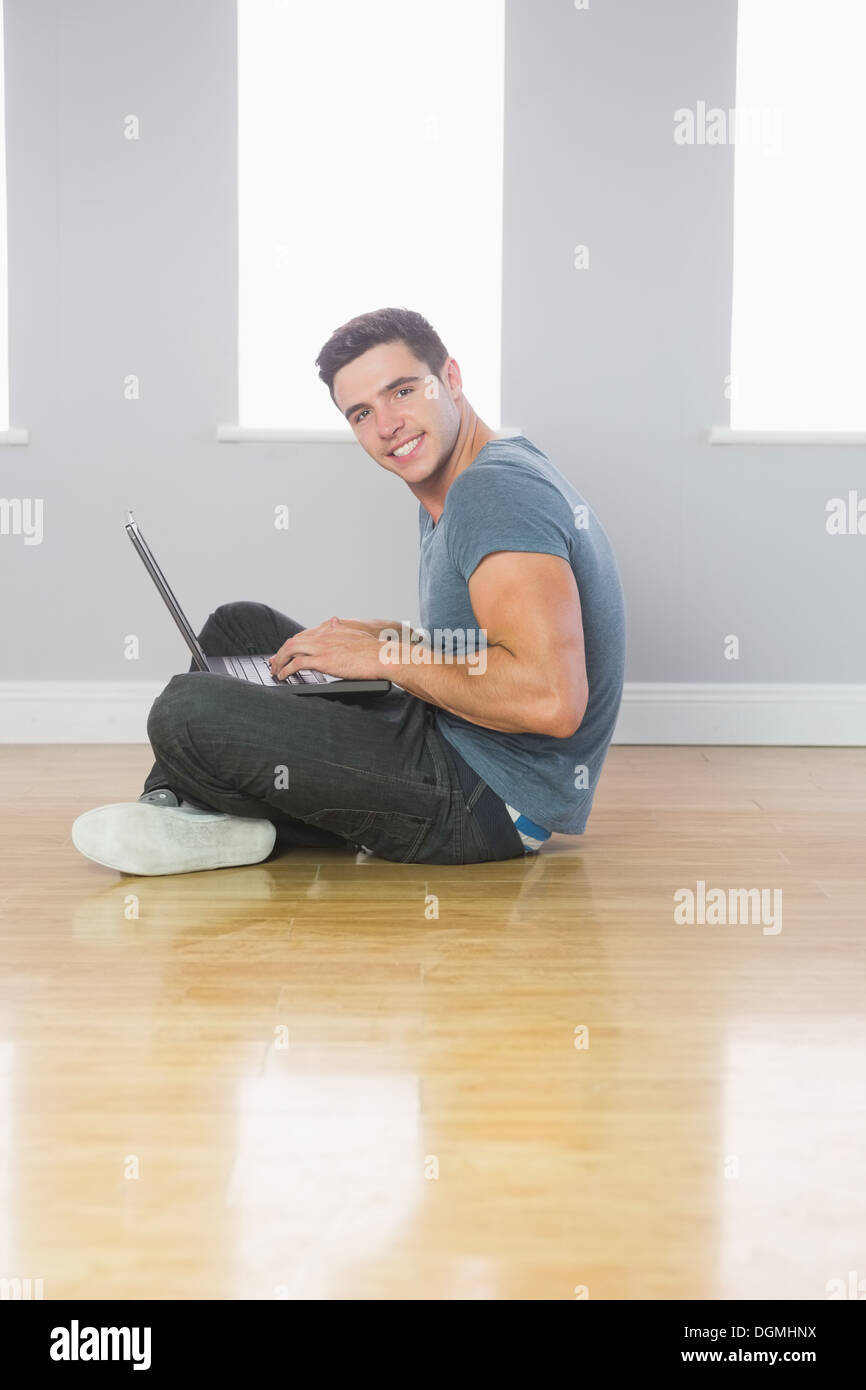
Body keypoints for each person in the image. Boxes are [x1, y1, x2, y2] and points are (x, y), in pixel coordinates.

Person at [72, 307, 626, 875]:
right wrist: (388, 637)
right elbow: (492, 641)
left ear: (451, 379)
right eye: (363, 412)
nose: (388, 425)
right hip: (449, 731)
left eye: (403, 390)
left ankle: (193, 810)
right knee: (237, 627)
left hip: (482, 798)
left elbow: (550, 700)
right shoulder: (460, 477)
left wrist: (383, 656)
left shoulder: (492, 492)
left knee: (184, 709)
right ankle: (178, 807)